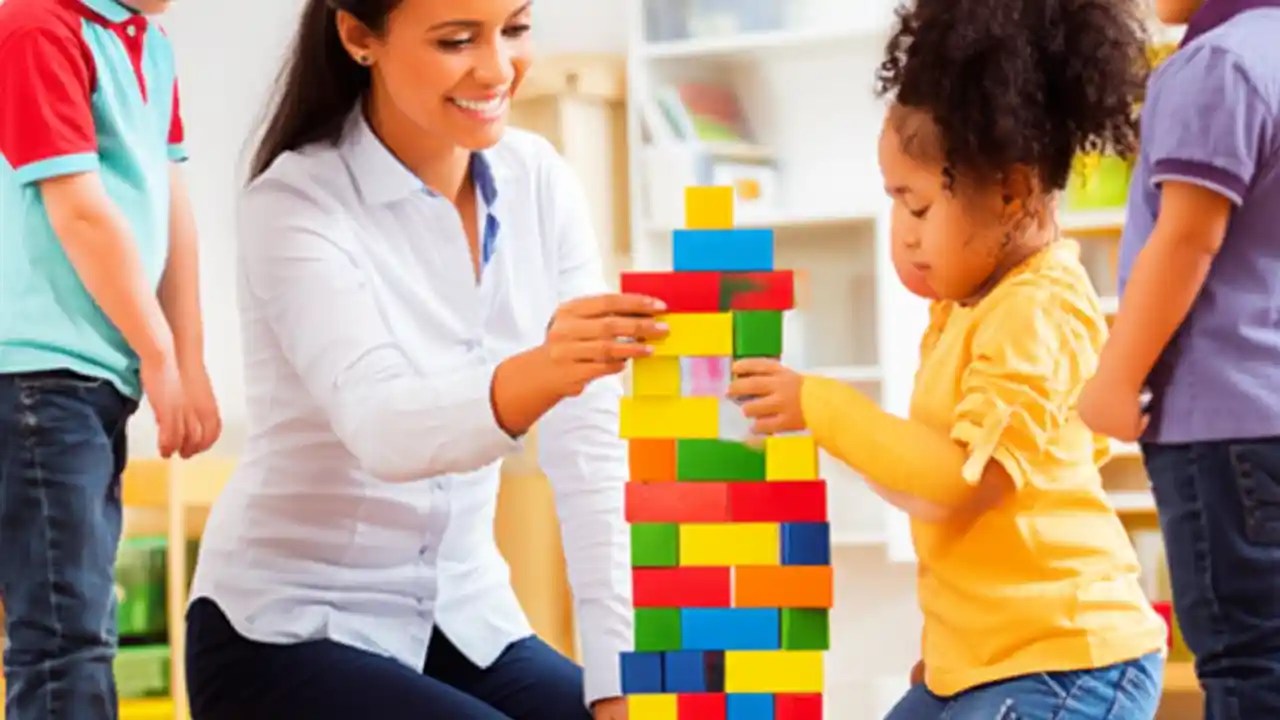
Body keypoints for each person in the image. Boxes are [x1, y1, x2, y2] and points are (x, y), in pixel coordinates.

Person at [182, 0, 665, 718]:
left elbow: (589, 457)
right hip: (286, 632)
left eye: (516, 29)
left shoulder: (540, 181)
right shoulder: (294, 203)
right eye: (456, 40)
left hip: (465, 623)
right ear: (357, 36)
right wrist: (542, 370)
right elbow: (382, 424)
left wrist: (618, 683)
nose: (498, 67)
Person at [728, 0, 1169, 717]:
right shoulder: (969, 309)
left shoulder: (1037, 308)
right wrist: (964, 644)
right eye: (895, 204)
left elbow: (951, 481)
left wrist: (823, 405)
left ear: (1014, 191)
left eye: (919, 207)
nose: (901, 234)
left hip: (1069, 661)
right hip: (988, 661)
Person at [0, 0, 220, 716]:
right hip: (36, 375)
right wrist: (160, 358)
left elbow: (170, 204)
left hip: (89, 379)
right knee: (65, 637)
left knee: (75, 625)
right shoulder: (37, 27)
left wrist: (189, 358)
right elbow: (80, 209)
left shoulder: (149, 42)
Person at [1080, 0, 1280, 716]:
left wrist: (1114, 380)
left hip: (1222, 427)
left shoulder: (1214, 66)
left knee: (1248, 662)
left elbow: (1187, 237)